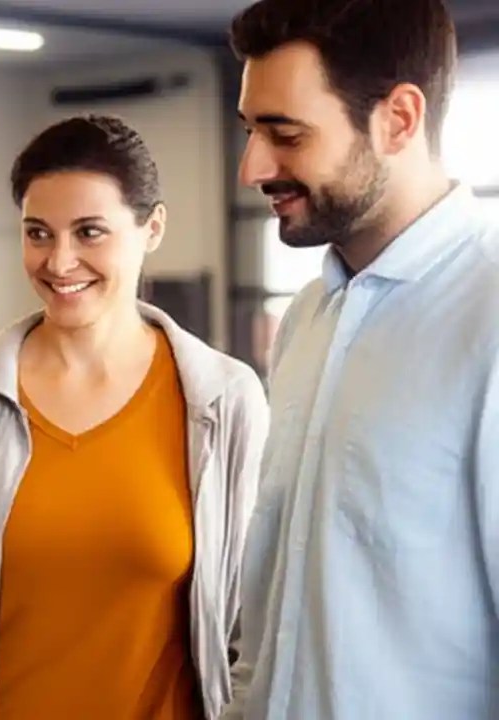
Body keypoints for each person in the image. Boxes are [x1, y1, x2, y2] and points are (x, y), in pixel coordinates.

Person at [0, 114, 270, 720]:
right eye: (38, 233)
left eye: (89, 232)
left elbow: (254, 618)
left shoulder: (224, 399)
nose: (59, 262)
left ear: (152, 228)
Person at [222, 1, 499, 718]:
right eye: (250, 131)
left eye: (286, 134)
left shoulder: (489, 317)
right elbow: (272, 601)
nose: (253, 168)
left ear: (398, 120)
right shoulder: (308, 318)